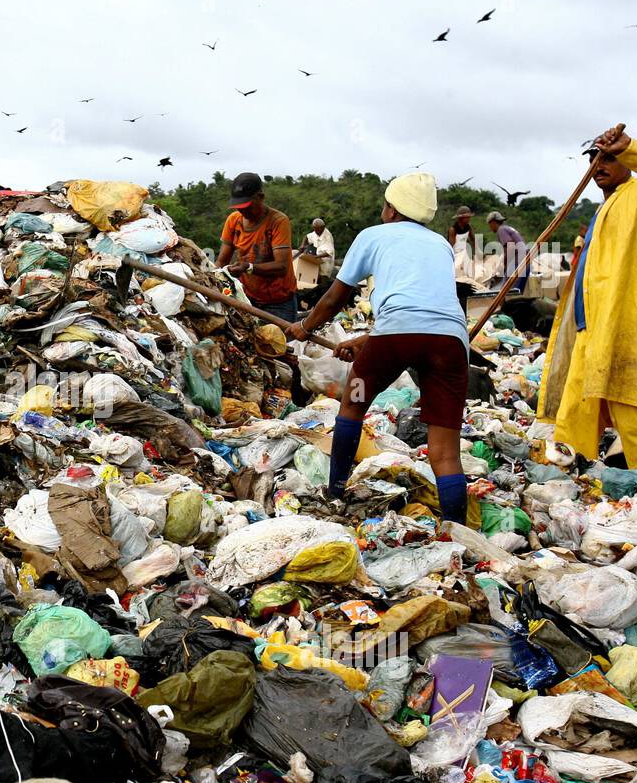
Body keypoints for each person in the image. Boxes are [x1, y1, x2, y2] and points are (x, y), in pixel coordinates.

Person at [289, 171, 470, 524]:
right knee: (446, 451)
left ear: (391, 209)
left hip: (395, 335)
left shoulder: (373, 236)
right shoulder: (441, 245)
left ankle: (336, 492)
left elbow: (334, 298)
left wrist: (304, 327)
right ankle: (458, 535)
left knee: (353, 403)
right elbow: (425, 312)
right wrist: (365, 342)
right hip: (450, 343)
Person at [537, 124, 637, 471]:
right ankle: (573, 486)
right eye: (595, 159)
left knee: (636, 422)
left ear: (627, 161)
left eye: (609, 158)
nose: (600, 165)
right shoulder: (601, 210)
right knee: (574, 417)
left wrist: (630, 147)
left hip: (629, 334)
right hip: (589, 334)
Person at [214, 172, 297, 322]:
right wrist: (215, 278)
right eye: (239, 208)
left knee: (279, 343)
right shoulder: (234, 221)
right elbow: (221, 261)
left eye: (247, 207)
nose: (243, 212)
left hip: (279, 303)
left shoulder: (278, 221)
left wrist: (248, 267)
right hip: (247, 299)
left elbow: (282, 266)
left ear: (260, 197)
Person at [487, 210, 529, 293]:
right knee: (516, 293)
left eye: (489, 224)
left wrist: (506, 265)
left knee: (506, 292)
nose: (490, 227)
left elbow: (510, 248)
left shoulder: (501, 230)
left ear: (493, 222)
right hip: (526, 262)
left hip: (518, 263)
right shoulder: (508, 228)